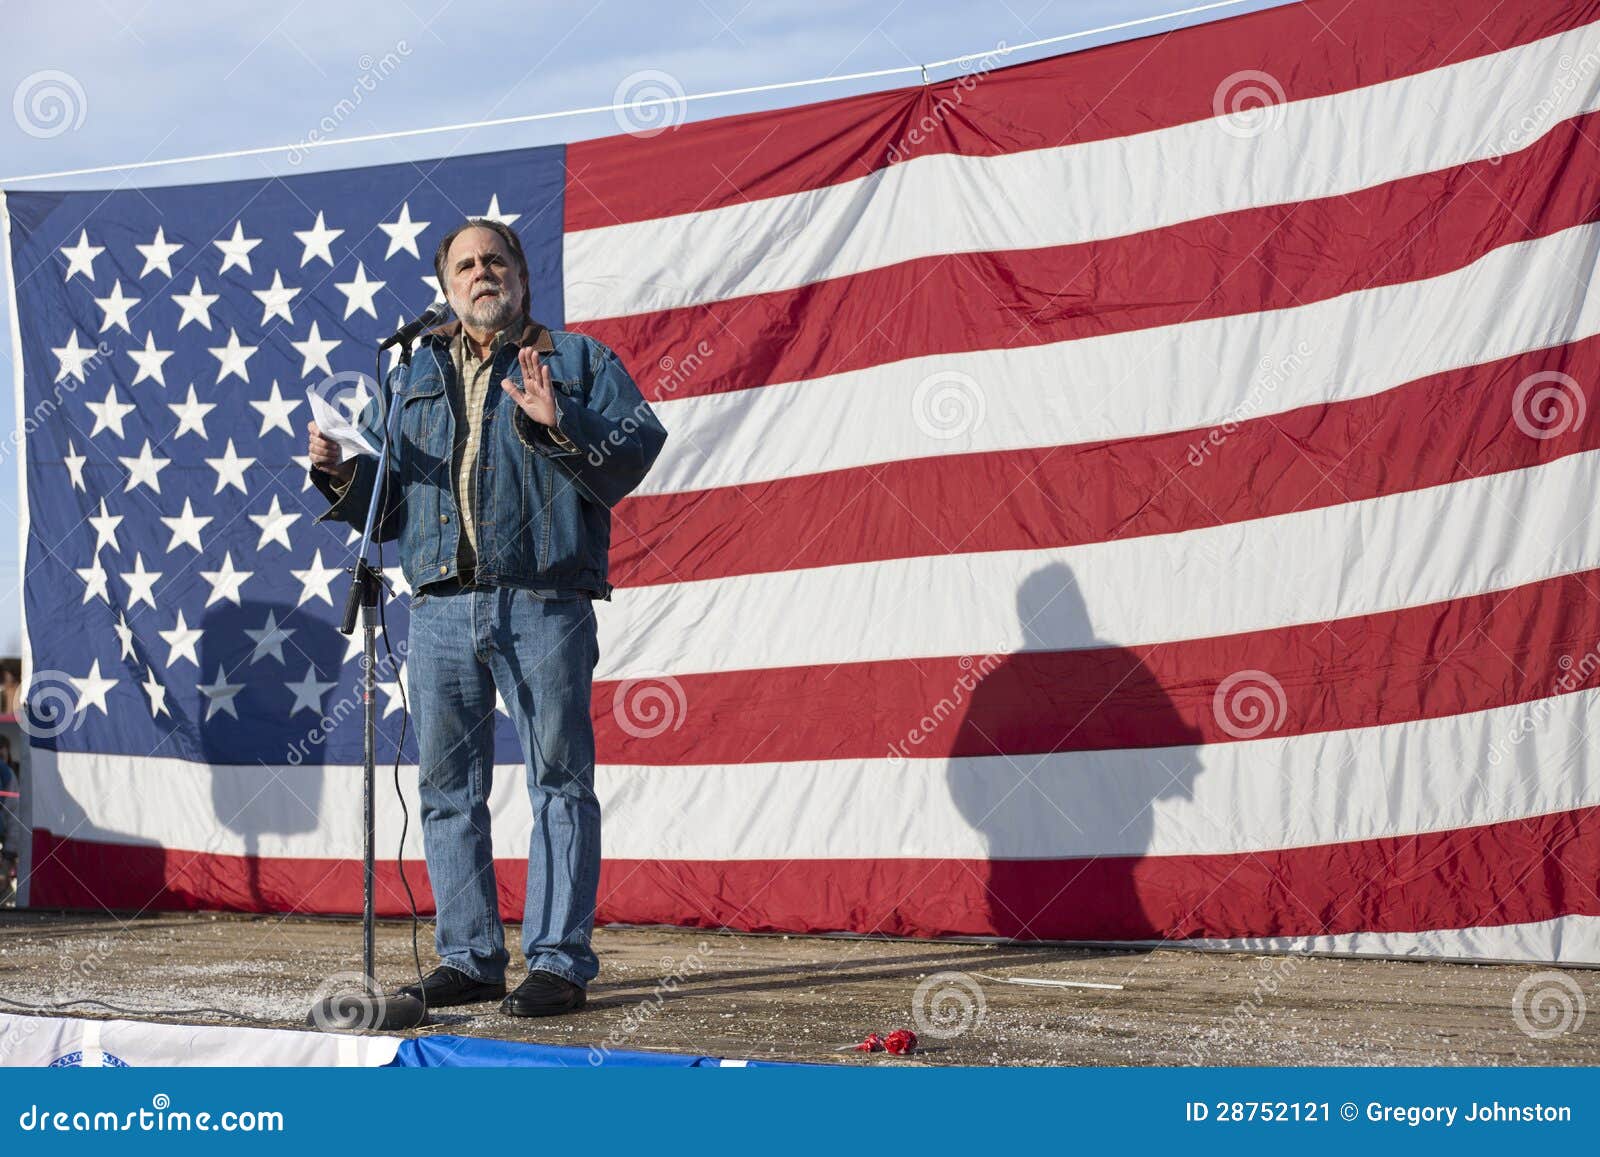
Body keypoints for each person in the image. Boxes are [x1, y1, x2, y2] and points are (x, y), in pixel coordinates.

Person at [307, 217, 667, 1016]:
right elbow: (394, 505)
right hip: (438, 607)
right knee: (445, 790)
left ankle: (559, 961)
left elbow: (640, 446)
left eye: (494, 259)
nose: (481, 273)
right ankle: (469, 956)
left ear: (522, 276)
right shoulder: (416, 375)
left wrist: (560, 423)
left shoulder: (575, 361)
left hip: (543, 601)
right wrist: (339, 477)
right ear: (446, 287)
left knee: (559, 782)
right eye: (465, 264)